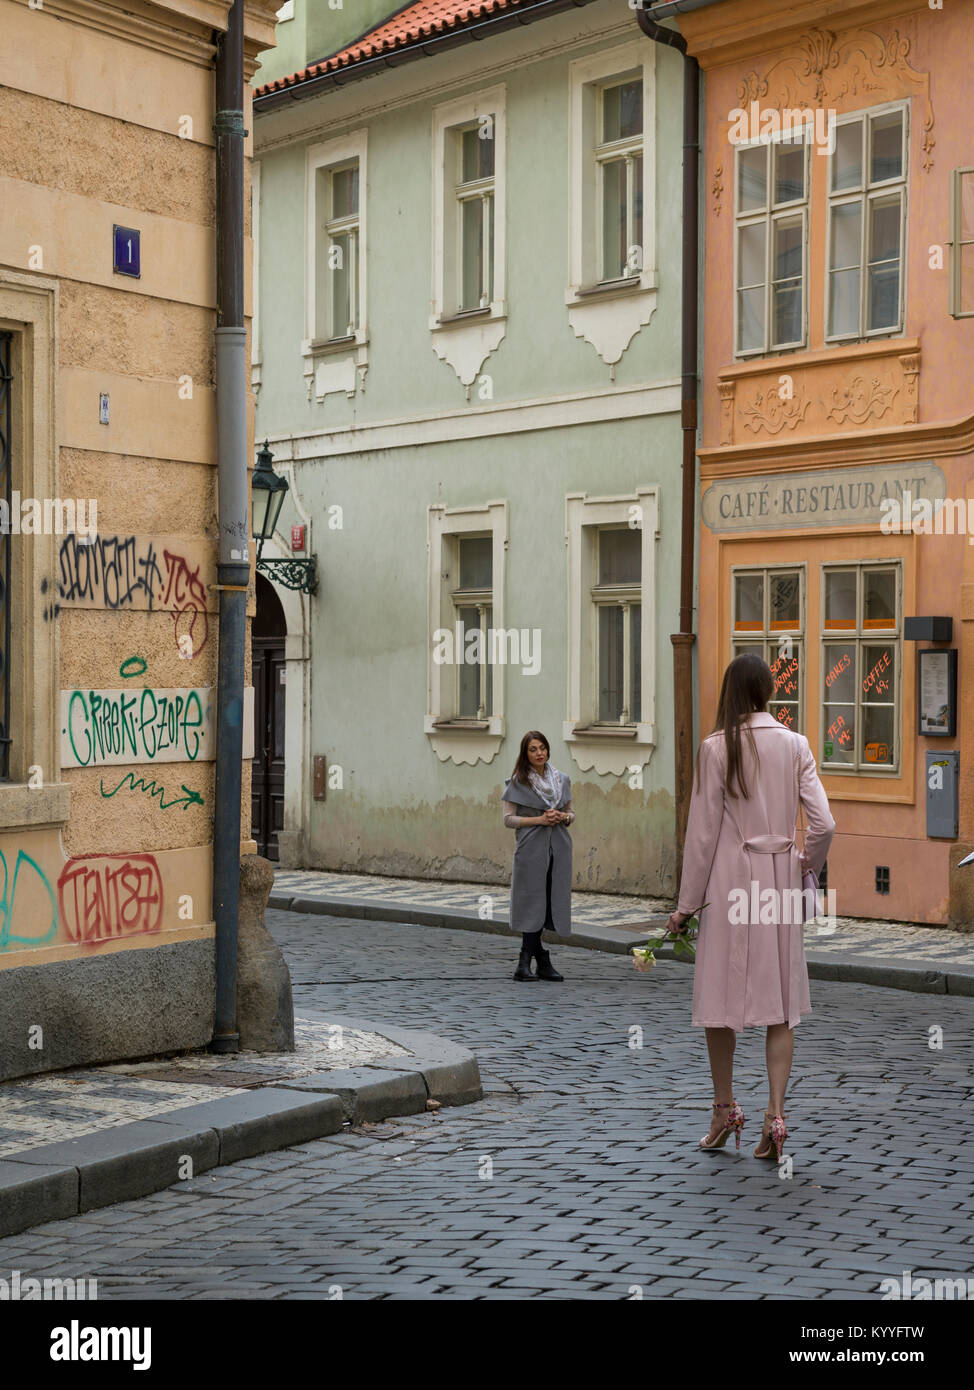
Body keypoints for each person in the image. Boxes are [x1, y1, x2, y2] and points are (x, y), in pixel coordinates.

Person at [668, 653, 834, 1160]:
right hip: (779, 881)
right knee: (780, 1004)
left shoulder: (717, 747)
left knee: (721, 1001)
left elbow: (701, 838)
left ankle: (724, 1109)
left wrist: (685, 907)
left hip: (730, 883)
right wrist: (804, 864)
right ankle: (775, 1118)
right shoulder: (795, 743)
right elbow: (825, 824)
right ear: (767, 691)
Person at [501, 730, 574, 982]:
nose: (539, 753)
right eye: (533, 749)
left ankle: (534, 960)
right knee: (531, 902)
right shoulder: (517, 782)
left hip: (558, 848)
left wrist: (562, 817)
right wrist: (540, 819)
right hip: (530, 849)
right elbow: (508, 820)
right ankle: (530, 960)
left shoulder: (561, 779)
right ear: (525, 754)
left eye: (542, 747)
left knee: (548, 902)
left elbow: (571, 814)